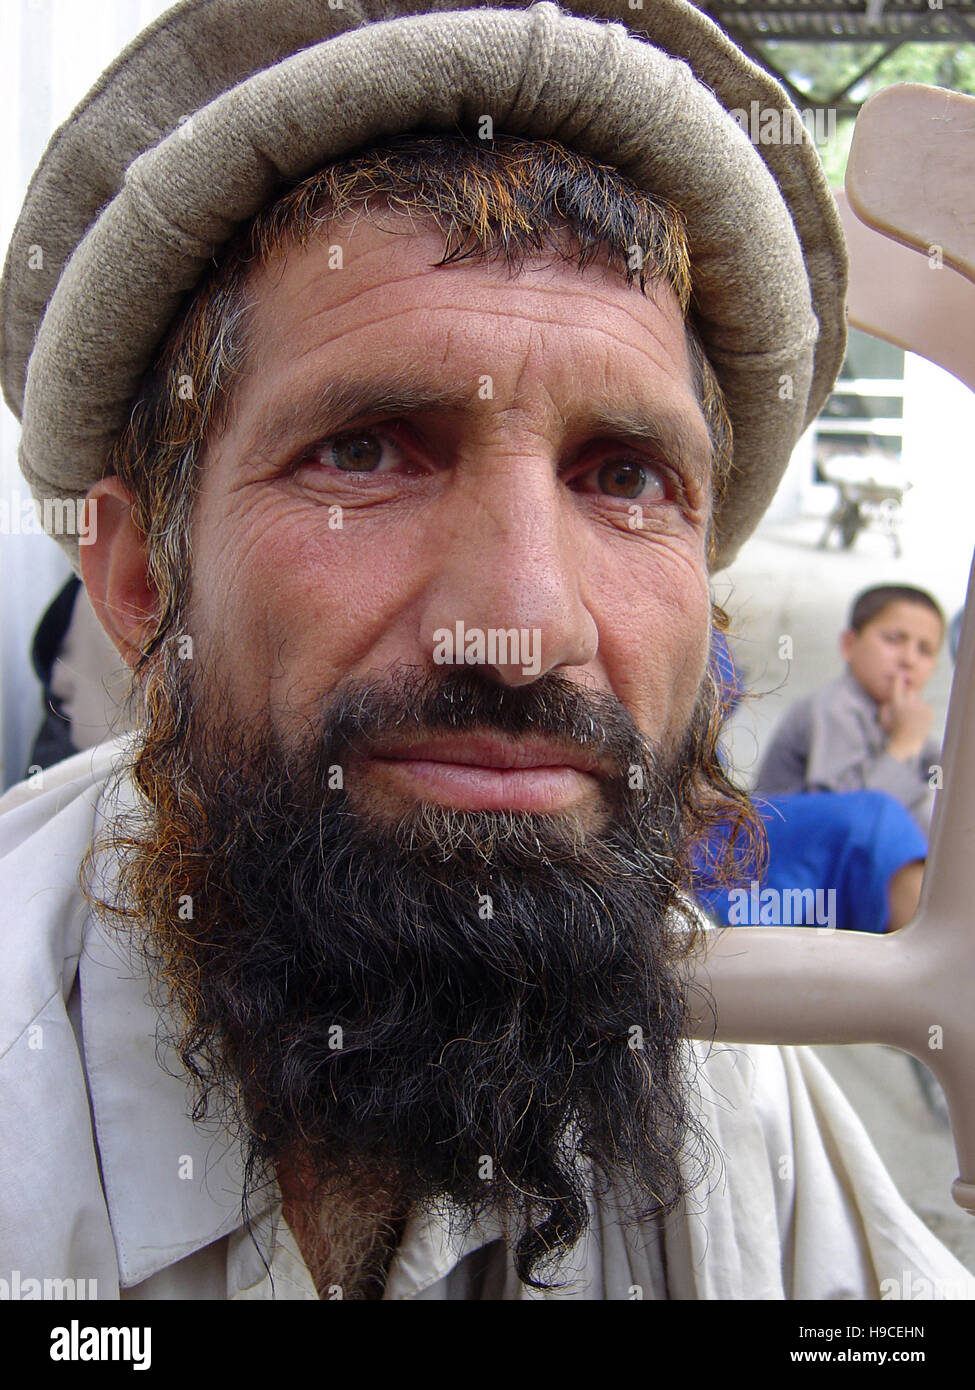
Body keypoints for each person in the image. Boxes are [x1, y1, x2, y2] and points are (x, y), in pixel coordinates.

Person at [0, 0, 971, 1301]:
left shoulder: (719, 1070)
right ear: (137, 579)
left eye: (622, 473)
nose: (522, 625)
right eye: (361, 450)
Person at [755, 584, 945, 834]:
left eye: (925, 650)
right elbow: (853, 823)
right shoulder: (832, 707)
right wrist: (905, 744)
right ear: (849, 645)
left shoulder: (899, 718)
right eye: (894, 640)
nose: (909, 659)